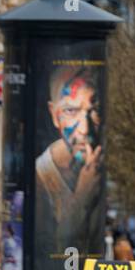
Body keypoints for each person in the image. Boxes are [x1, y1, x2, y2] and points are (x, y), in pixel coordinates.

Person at [34, 66, 103, 259]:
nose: (84, 129)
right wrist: (81, 197)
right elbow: (50, 248)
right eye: (71, 110)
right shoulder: (40, 177)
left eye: (94, 110)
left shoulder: (106, 163)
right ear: (55, 115)